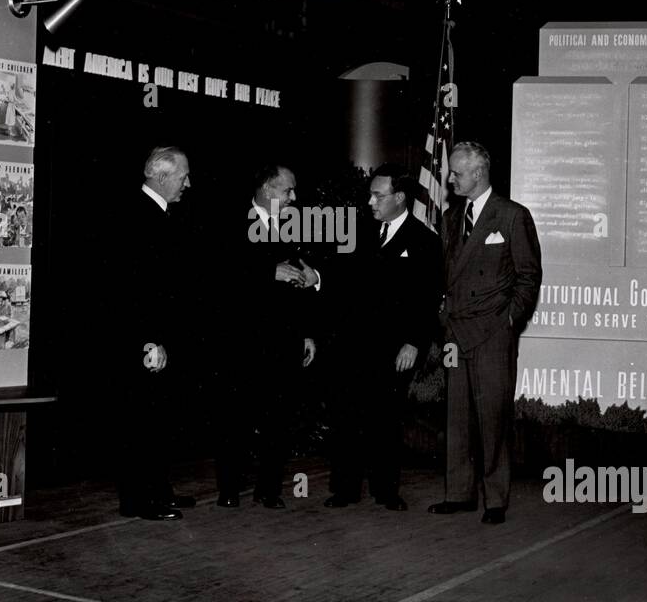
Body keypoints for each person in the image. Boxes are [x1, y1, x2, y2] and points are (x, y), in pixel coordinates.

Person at [431, 142, 542, 525]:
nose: (449, 178)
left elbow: (528, 277)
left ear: (477, 174)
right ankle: (458, 494)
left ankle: (495, 500)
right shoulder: (450, 218)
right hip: (455, 333)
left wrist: (510, 320)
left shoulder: (511, 216)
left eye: (456, 173)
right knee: (456, 417)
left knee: (493, 417)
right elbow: (445, 274)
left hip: (493, 332)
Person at [326, 164, 442, 511]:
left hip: (395, 349)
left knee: (386, 418)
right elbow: (338, 280)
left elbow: (429, 296)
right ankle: (344, 489)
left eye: (378, 195)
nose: (371, 200)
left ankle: (386, 490)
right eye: (371, 193)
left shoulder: (425, 240)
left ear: (400, 198)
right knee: (347, 417)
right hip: (352, 344)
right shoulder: (356, 230)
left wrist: (414, 342)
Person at [216, 163, 320, 510]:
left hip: (286, 339)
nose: (294, 198)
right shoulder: (232, 221)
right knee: (238, 418)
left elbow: (301, 279)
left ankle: (269, 489)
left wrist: (307, 334)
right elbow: (219, 277)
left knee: (280, 418)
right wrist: (267, 272)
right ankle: (229, 489)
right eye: (288, 191)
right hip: (244, 342)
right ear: (266, 189)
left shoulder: (295, 226)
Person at [109, 147, 195, 520]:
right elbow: (133, 290)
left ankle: (159, 491)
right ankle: (139, 501)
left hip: (159, 339)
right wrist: (149, 341)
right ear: (161, 177)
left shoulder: (161, 215)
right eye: (183, 176)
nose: (188, 183)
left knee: (157, 419)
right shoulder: (135, 216)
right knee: (140, 421)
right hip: (144, 341)